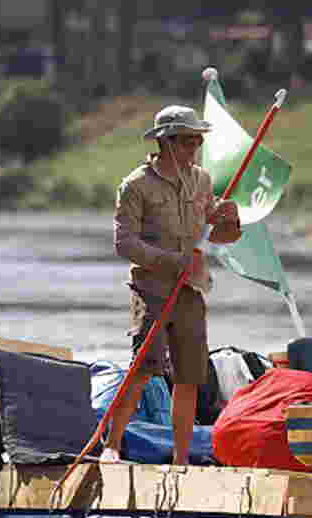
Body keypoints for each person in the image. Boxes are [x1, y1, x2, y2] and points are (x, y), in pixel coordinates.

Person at [102, 105, 242, 465]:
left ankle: (181, 460)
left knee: (189, 375)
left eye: (197, 140)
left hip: (191, 289)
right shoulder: (135, 185)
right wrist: (171, 261)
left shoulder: (202, 180)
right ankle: (112, 446)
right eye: (186, 140)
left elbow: (221, 237)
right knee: (143, 367)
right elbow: (125, 243)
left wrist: (231, 221)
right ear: (165, 142)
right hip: (151, 288)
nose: (193, 147)